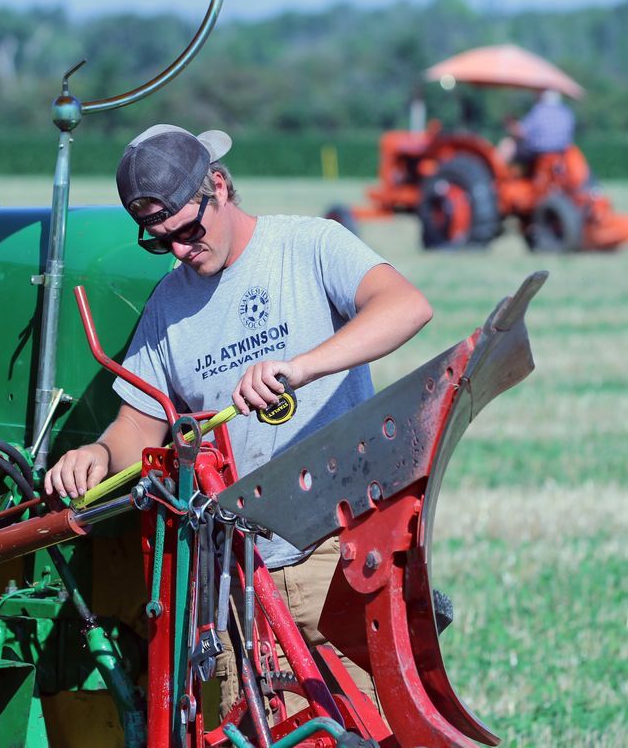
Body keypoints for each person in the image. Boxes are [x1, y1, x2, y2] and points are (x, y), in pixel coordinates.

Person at [43, 123, 433, 716]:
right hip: (235, 583)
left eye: (188, 231)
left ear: (219, 186)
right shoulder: (168, 307)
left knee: (367, 724)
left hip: (338, 555)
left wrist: (300, 368)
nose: (179, 250)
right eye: (159, 241)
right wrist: (98, 454)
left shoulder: (310, 247)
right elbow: (138, 430)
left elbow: (407, 306)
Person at [498, 89, 575, 168]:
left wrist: (511, 125)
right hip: (561, 154)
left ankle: (499, 173)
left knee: (508, 143)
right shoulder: (566, 112)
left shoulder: (539, 110)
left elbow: (522, 132)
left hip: (538, 153)